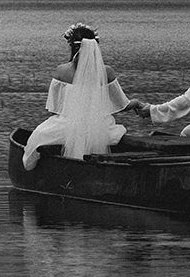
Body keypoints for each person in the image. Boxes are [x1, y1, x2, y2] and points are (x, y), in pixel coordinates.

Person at [22, 22, 141, 169]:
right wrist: (135, 103)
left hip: (65, 127)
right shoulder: (107, 72)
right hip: (100, 127)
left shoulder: (61, 71)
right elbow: (121, 105)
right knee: (116, 133)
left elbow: (54, 108)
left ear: (72, 46)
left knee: (38, 136)